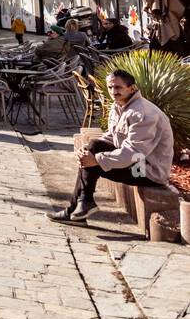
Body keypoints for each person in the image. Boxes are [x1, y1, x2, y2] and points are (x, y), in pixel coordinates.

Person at [51, 69, 176, 223]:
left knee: (93, 157)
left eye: (118, 88)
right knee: (92, 147)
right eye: (110, 87)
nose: (113, 92)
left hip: (146, 171)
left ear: (132, 88)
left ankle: (80, 205)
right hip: (134, 162)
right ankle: (79, 206)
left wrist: (96, 159)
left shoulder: (142, 113)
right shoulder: (118, 106)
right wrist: (85, 151)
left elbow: (134, 152)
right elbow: (112, 136)